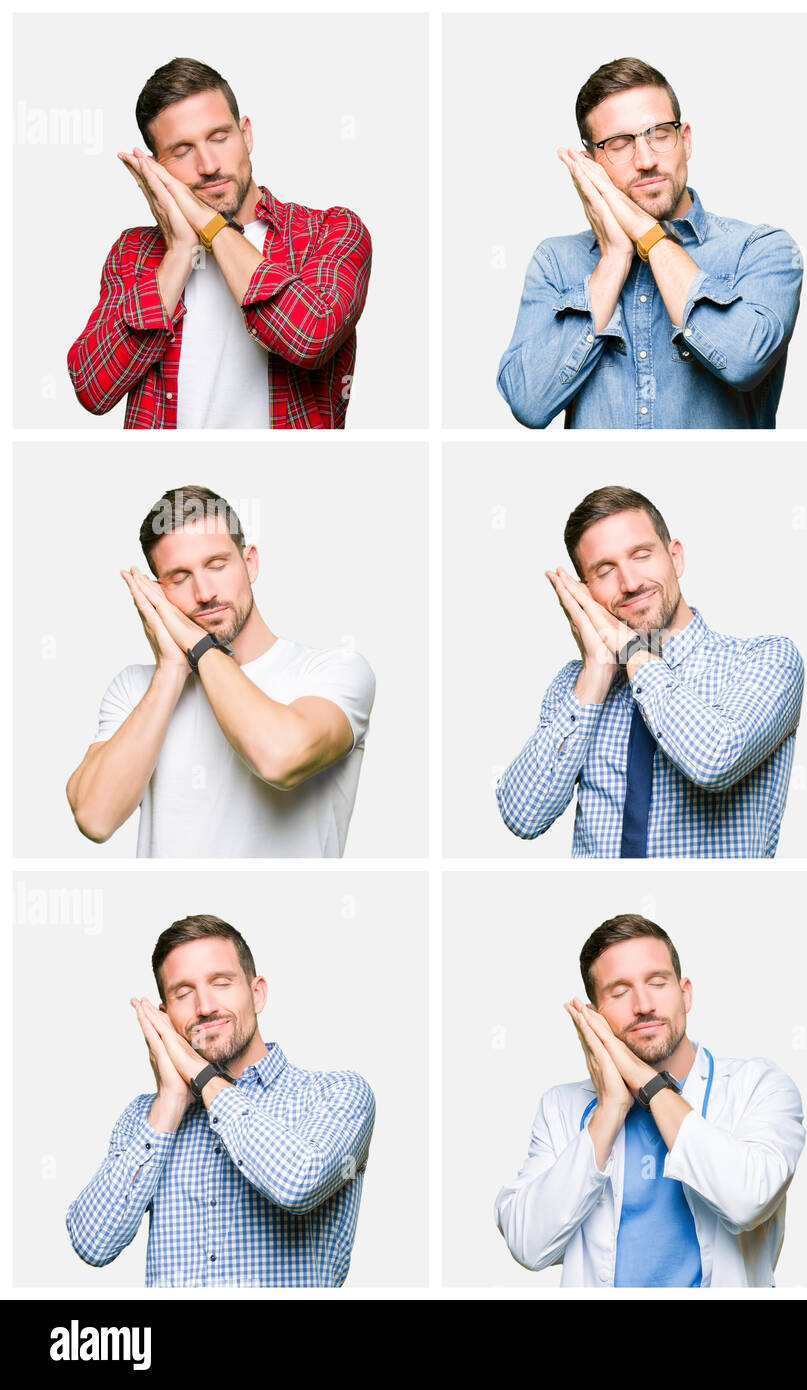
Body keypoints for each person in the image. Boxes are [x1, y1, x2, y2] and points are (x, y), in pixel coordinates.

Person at [66, 484, 376, 857]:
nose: (204, 592)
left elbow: (280, 758)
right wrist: (170, 672)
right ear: (156, 593)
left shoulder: (333, 671)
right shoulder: (135, 688)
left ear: (251, 562)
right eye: (179, 578)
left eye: (217, 565)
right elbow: (95, 820)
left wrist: (199, 647)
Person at [495, 915, 805, 1287]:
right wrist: (609, 1111)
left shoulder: (759, 1086)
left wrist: (648, 1083)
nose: (643, 1005)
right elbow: (528, 1244)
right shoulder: (561, 1107)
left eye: (657, 983)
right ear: (594, 1017)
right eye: (620, 992)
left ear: (685, 993)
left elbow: (747, 1201)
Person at [67, 915, 375, 1287]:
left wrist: (201, 1076)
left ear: (257, 993)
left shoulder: (337, 1093)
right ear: (164, 1017)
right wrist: (168, 1103)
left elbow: (298, 1182)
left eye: (221, 983)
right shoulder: (144, 1117)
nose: (205, 1006)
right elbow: (92, 1243)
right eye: (183, 993)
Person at [496, 485, 804, 857]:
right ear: (585, 593)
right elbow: (522, 817)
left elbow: (715, 759)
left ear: (675, 557)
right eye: (605, 570)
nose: (630, 583)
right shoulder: (574, 685)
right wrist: (596, 671)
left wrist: (630, 649)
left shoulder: (765, 660)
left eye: (641, 556)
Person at [497, 57, 802, 429]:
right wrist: (612, 260)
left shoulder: (761, 249)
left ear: (684, 139)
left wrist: (649, 236)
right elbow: (529, 404)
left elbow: (743, 361)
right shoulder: (555, 262)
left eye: (659, 134)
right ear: (592, 162)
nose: (645, 160)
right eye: (619, 144)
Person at [68, 57, 371, 429]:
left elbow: (310, 337)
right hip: (174, 480)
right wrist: (180, 252)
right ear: (155, 168)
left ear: (246, 134)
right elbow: (93, 390)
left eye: (219, 137)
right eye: (182, 151)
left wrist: (208, 226)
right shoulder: (134, 253)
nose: (208, 164)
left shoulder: (330, 232)